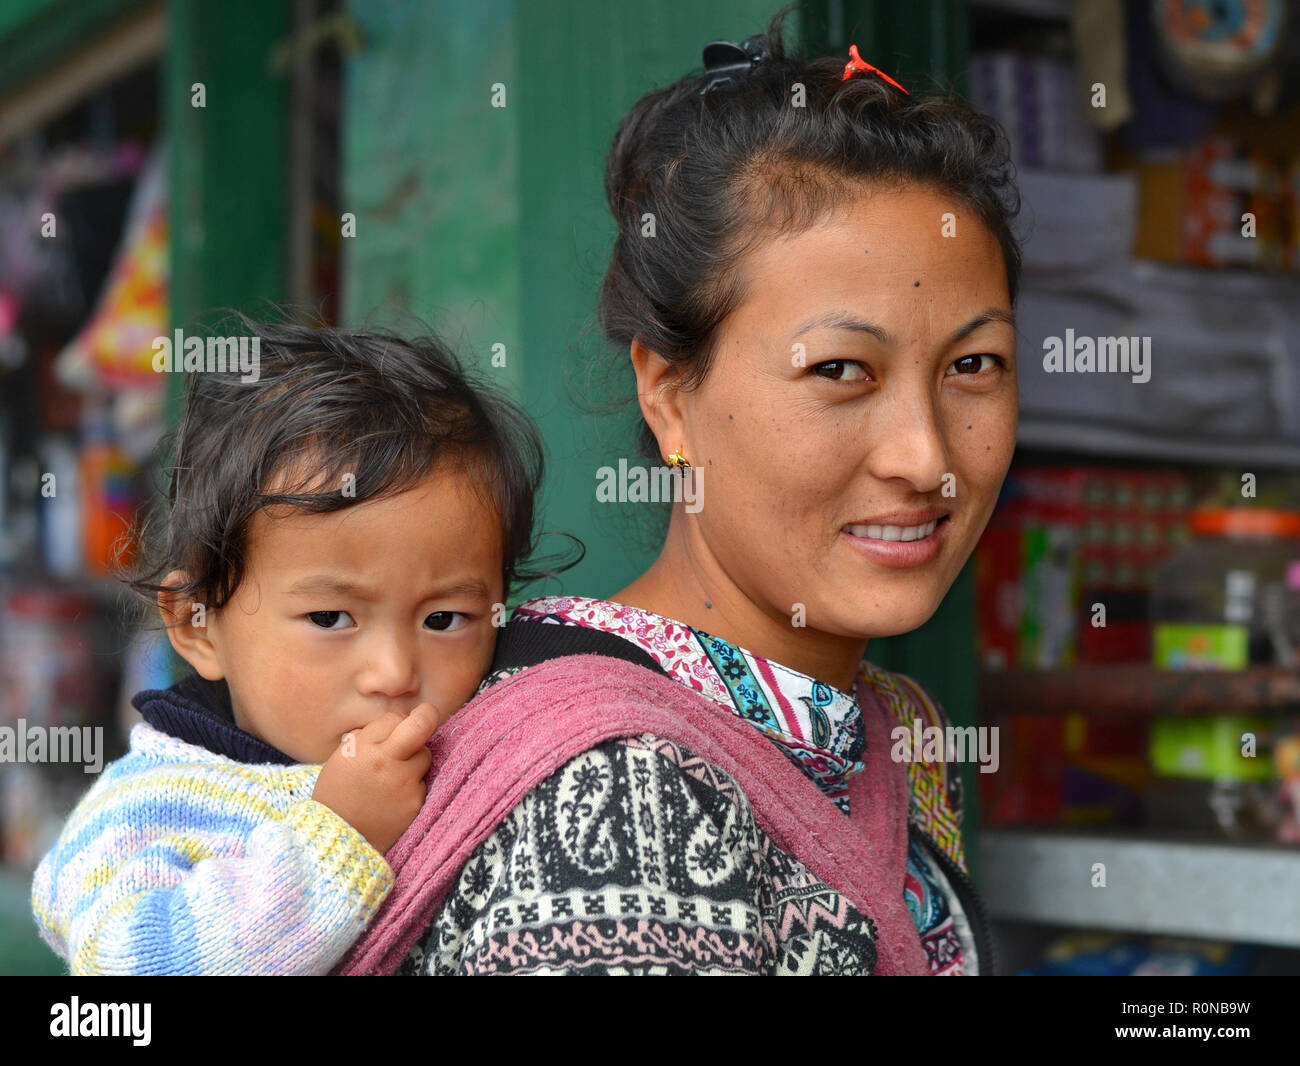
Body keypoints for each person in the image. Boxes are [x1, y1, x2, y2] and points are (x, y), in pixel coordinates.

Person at [379, 10, 1021, 976]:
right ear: (668, 395)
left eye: (974, 363)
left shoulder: (893, 730)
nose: (925, 455)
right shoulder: (615, 790)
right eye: (842, 370)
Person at [31, 319, 570, 975]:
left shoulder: (488, 745)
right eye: (329, 617)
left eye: (444, 620)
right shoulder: (153, 806)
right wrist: (338, 838)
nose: (394, 673)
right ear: (199, 626)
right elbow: (134, 968)